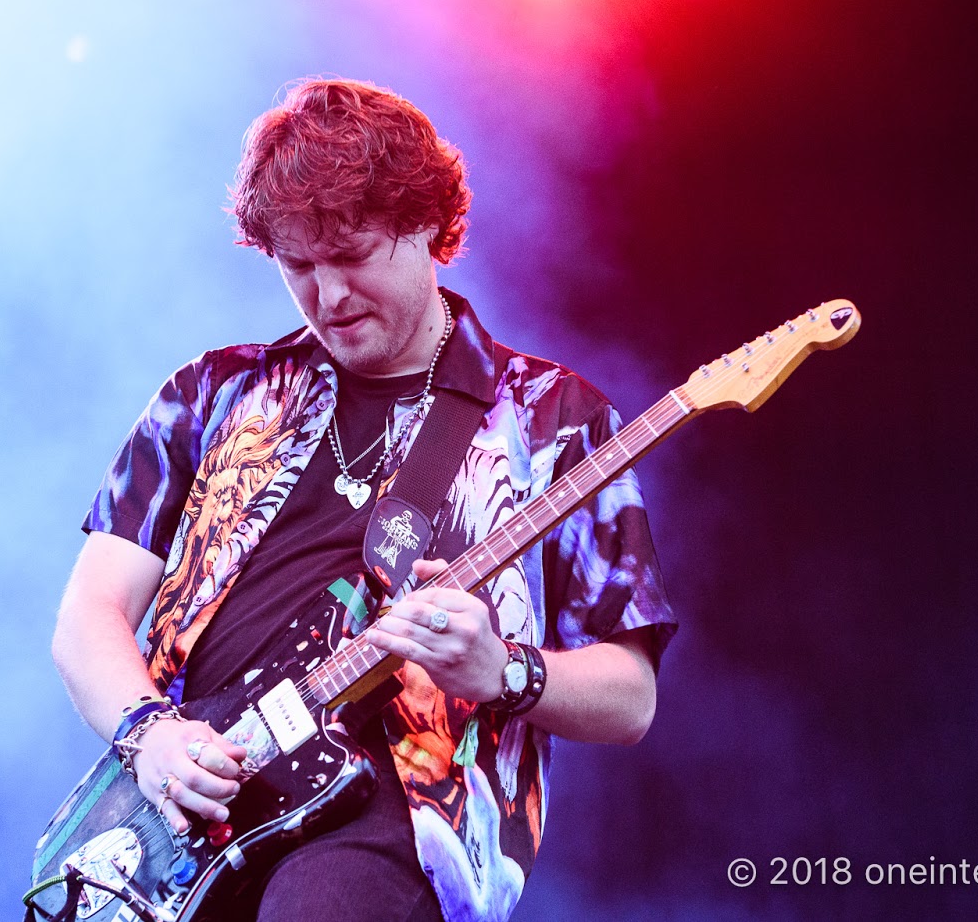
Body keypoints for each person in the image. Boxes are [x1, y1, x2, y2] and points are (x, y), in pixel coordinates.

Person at [51, 78, 677, 922]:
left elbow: (630, 697)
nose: (329, 297)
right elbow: (87, 616)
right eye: (298, 267)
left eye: (351, 256)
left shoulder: (555, 420)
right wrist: (150, 736)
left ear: (426, 223)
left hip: (395, 818)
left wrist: (501, 671)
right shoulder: (210, 395)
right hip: (188, 808)